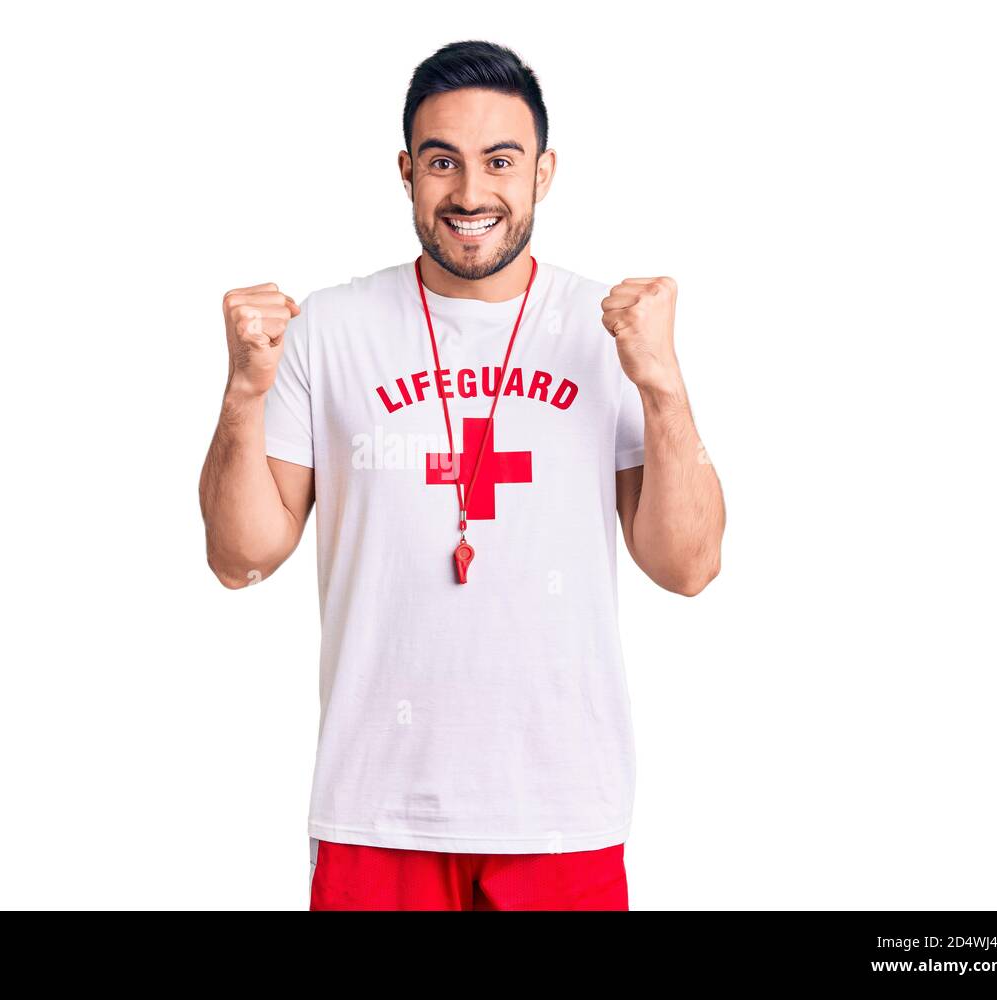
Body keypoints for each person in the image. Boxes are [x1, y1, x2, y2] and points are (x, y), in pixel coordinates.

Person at [199, 40, 725, 911]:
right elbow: (239, 557)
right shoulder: (327, 330)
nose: (471, 193)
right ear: (406, 172)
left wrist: (663, 386)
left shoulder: (610, 333)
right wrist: (243, 392)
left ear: (544, 172)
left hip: (563, 814)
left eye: (500, 161)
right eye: (443, 162)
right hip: (378, 812)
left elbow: (689, 567)